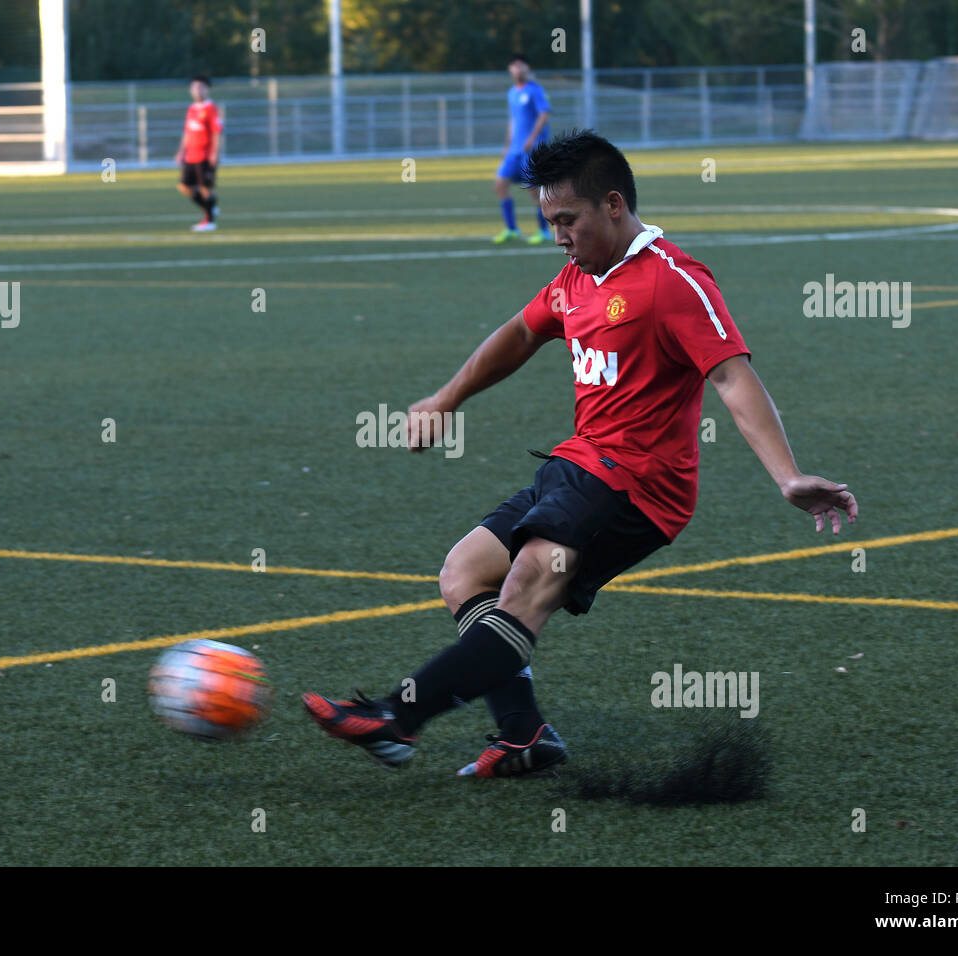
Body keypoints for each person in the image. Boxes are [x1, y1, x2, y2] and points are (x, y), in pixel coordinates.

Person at [303, 130, 858, 778]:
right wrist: (446, 399)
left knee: (528, 582)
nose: (559, 235)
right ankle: (526, 736)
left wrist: (787, 476)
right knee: (463, 573)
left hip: (640, 488)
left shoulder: (673, 282)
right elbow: (520, 333)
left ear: (614, 206)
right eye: (550, 222)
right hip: (578, 467)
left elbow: (733, 378)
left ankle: (398, 717)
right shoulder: (576, 278)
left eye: (567, 220)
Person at [494, 54, 553, 245]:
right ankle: (512, 229)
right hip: (514, 150)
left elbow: (544, 114)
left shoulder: (534, 90)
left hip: (532, 149)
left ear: (527, 68)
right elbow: (513, 120)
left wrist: (532, 139)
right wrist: (508, 144)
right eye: (514, 66)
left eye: (521, 65)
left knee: (534, 190)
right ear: (510, 70)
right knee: (500, 183)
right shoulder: (512, 92)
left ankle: (544, 231)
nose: (517, 69)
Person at [175, 76, 223, 232]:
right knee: (184, 186)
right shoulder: (192, 109)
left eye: (200, 87)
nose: (197, 90)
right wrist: (181, 151)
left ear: (206, 89)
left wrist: (215, 153)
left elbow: (217, 132)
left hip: (205, 155)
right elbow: (187, 132)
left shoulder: (211, 108)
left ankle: (209, 221)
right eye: (194, 87)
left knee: (205, 189)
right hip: (191, 155)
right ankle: (210, 207)